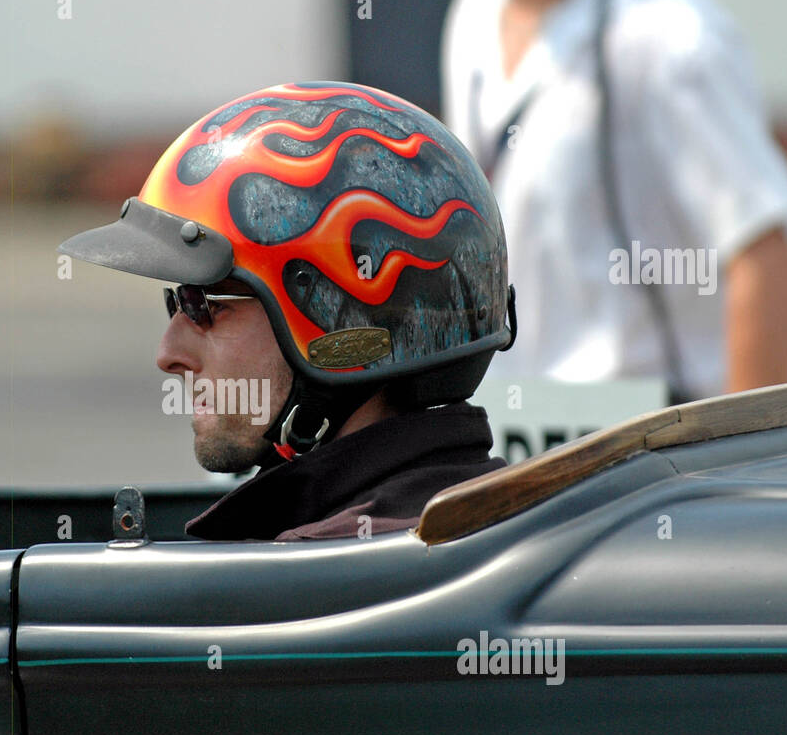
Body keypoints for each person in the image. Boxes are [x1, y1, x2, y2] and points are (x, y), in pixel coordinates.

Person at [59, 82, 516, 541]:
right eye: (176, 302)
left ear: (339, 321)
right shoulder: (484, 520)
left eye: (205, 305)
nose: (168, 352)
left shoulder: (328, 585)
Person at [441, 0, 787, 400]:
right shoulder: (474, 11)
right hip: (513, 424)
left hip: (637, 437)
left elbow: (764, 253)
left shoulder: (671, 37)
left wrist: (744, 453)